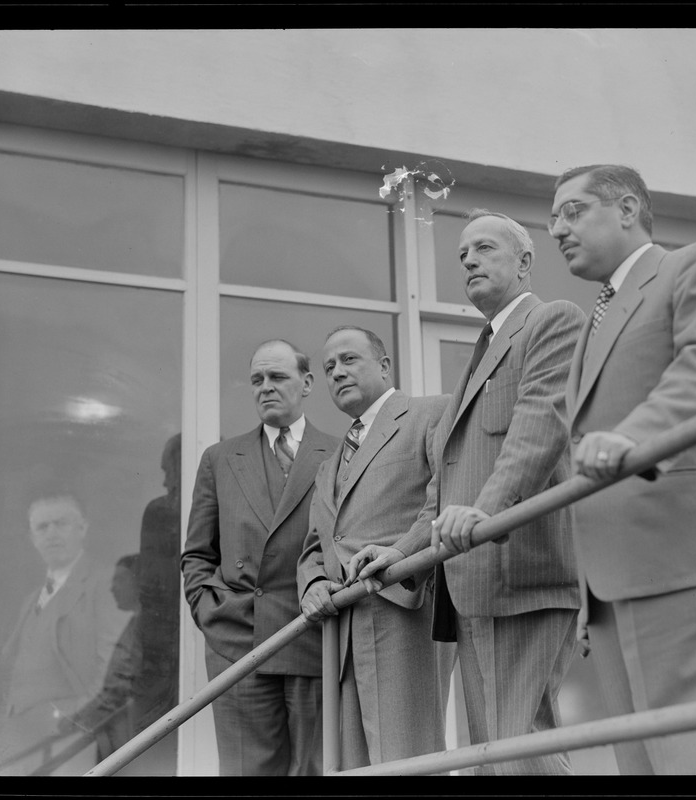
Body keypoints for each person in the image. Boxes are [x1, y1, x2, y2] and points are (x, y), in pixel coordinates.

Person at [550, 163, 696, 774]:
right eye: (552, 218)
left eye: (572, 211)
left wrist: (632, 437)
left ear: (627, 209)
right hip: (612, 575)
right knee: (646, 767)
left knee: (688, 757)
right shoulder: (595, 318)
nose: (556, 229)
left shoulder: (692, 264)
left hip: (681, 551)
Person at [354, 209, 585, 774]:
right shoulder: (478, 354)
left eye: (484, 249)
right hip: (472, 579)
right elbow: (445, 483)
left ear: (526, 262)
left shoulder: (552, 320)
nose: (469, 262)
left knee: (516, 745)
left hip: (523, 572)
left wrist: (481, 512)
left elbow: (537, 433)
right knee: (495, 753)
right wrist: (401, 553)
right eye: (462, 256)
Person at [297, 326, 454, 769]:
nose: (337, 373)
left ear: (384, 366)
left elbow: (446, 498)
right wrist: (311, 585)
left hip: (403, 614)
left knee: (407, 760)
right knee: (354, 768)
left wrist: (402, 552)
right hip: (342, 632)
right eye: (329, 368)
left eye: (349, 360)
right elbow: (316, 544)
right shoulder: (328, 466)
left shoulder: (430, 413)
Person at [181, 339, 338, 776]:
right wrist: (211, 612)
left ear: (306, 384)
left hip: (312, 636)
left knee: (320, 771)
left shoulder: (343, 452)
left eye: (277, 377)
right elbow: (197, 553)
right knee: (248, 776)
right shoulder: (220, 458)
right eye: (257, 380)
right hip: (239, 646)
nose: (265, 387)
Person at [0, 492, 131, 776]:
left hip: (70, 744)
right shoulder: (31, 598)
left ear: (82, 528)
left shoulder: (105, 584)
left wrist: (69, 722)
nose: (52, 534)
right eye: (42, 527)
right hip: (15, 743)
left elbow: (116, 674)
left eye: (61, 523)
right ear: (32, 537)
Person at [60, 554, 142, 761]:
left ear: (140, 582)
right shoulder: (137, 624)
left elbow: (118, 689)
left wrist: (78, 721)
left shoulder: (143, 627)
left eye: (120, 579)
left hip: (128, 742)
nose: (112, 588)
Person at [135, 433, 181, 730]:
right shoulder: (160, 511)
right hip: (162, 636)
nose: (165, 482)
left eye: (167, 471)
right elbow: (150, 582)